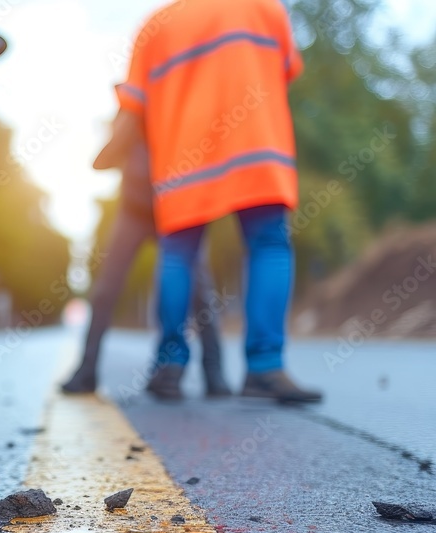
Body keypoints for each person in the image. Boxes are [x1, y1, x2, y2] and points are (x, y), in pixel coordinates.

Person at [102, 0, 323, 403]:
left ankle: (169, 364)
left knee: (178, 256)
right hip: (256, 148)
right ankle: (265, 367)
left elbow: (133, 107)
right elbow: (287, 69)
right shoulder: (265, 8)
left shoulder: (155, 25)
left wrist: (105, 156)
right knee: (269, 246)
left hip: (183, 161)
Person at [62, 139, 231, 397]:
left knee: (109, 288)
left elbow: (103, 160)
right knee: (197, 288)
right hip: (156, 202)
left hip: (160, 201)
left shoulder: (140, 100)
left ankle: (88, 369)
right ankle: (213, 374)